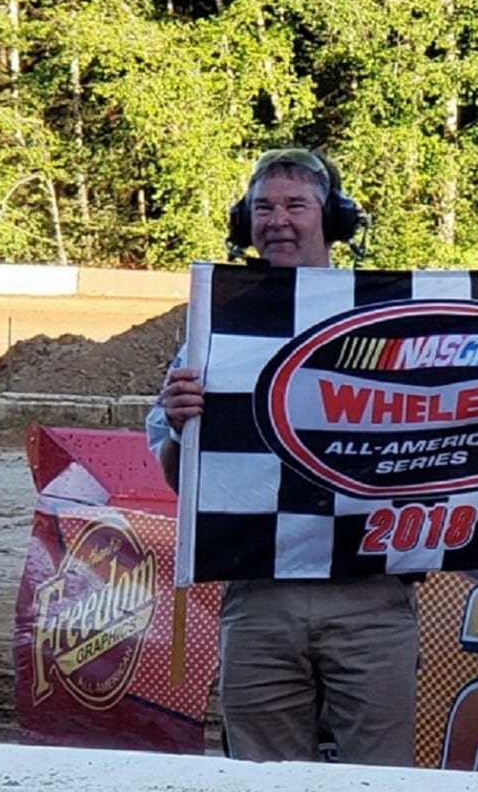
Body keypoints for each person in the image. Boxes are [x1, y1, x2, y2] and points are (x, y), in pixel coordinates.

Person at [148, 148, 419, 765]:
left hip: (369, 592)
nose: (279, 221)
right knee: (259, 780)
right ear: (245, 220)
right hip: (259, 593)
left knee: (380, 782)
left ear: (334, 220)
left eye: (297, 205)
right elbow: (179, 481)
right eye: (264, 207)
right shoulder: (215, 322)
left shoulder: (383, 315)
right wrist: (179, 426)